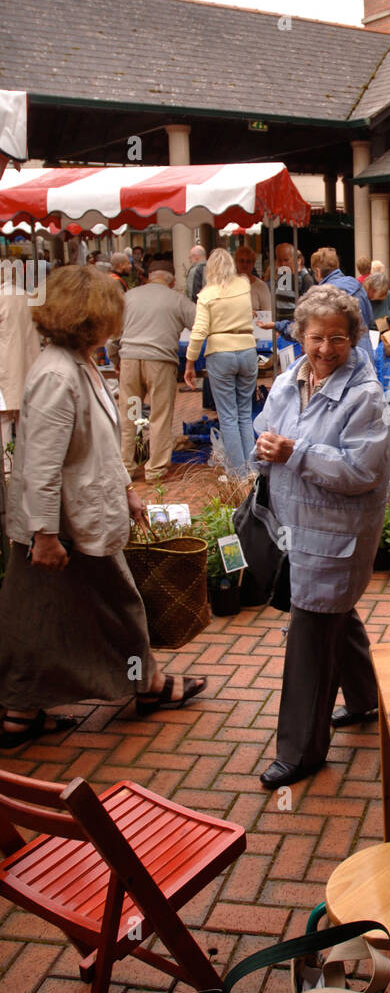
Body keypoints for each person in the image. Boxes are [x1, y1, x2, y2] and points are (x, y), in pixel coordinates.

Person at [0, 266, 207, 745]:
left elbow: (95, 447)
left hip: (72, 520)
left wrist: (126, 491)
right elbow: (40, 465)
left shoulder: (75, 363)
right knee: (118, 606)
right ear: (90, 319)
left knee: (37, 617)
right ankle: (146, 684)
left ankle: (20, 712)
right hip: (66, 526)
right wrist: (46, 535)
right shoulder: (58, 374)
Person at [253, 285, 390, 788]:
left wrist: (295, 452)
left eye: (338, 338)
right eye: (316, 337)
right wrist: (266, 445)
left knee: (310, 639)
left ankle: (301, 751)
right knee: (335, 612)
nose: (325, 349)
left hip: (336, 534)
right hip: (295, 528)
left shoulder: (366, 397)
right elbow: (265, 428)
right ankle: (363, 699)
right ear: (301, 335)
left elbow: (360, 471)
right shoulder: (291, 377)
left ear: (355, 338)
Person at [118, 261, 196, 484]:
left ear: (149, 277)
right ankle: (155, 470)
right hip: (160, 362)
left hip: (130, 360)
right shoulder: (177, 299)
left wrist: (116, 358)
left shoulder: (129, 296)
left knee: (130, 414)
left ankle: (126, 466)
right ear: (172, 281)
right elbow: (200, 323)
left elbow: (113, 331)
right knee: (159, 414)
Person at [183, 248, 257, 477]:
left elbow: (199, 331)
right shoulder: (244, 284)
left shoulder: (206, 295)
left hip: (220, 352)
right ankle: (252, 470)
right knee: (245, 413)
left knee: (228, 416)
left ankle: (237, 475)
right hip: (247, 349)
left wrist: (189, 362)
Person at [0, 287, 40, 470]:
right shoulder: (28, 297)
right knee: (24, 417)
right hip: (29, 364)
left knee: (4, 418)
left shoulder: (2, 297)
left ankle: (8, 466)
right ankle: (26, 463)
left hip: (6, 366)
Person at [235, 244, 271, 313]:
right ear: (236, 262)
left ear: (253, 263)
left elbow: (267, 313)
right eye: (241, 261)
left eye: (248, 261)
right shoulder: (229, 283)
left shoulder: (261, 286)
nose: (245, 264)